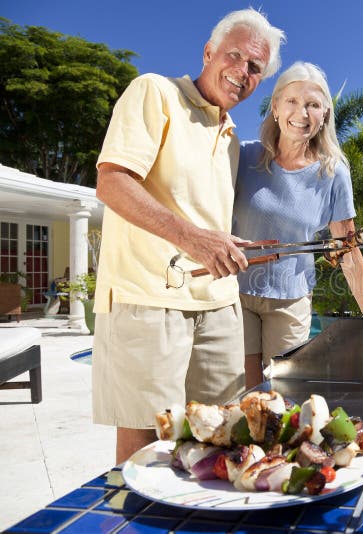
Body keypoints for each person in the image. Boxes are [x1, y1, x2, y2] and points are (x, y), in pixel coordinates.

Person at [91, 8, 285, 464]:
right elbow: (113, 182)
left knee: (218, 439)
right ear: (208, 51)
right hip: (147, 300)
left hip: (218, 307)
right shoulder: (155, 93)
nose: (242, 71)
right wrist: (196, 239)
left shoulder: (233, 137)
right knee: (148, 447)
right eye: (235, 55)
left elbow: (206, 216)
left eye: (255, 67)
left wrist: (231, 247)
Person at [233, 61, 363, 389]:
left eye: (312, 104)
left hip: (291, 299)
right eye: (293, 101)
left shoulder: (333, 172)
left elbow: (348, 250)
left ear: (325, 113)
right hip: (234, 295)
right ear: (276, 107)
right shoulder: (243, 157)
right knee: (246, 399)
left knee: (283, 398)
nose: (302, 112)